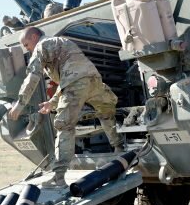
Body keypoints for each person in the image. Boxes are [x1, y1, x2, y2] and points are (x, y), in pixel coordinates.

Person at [9, 27, 124, 188]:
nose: (26, 48)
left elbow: (33, 77)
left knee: (63, 125)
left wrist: (19, 105)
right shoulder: (61, 42)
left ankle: (58, 177)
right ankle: (119, 147)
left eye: (26, 44)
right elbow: (70, 76)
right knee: (106, 112)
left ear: (35, 37)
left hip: (77, 83)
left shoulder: (42, 46)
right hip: (93, 81)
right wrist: (52, 103)